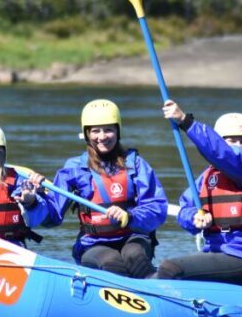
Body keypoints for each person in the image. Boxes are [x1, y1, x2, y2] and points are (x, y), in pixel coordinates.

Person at [156, 100, 242, 286]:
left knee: (170, 269)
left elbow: (226, 153)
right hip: (214, 252)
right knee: (162, 271)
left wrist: (185, 121)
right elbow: (185, 207)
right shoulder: (208, 176)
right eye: (231, 141)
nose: (238, 146)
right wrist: (194, 217)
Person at [50, 99, 168, 278]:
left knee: (134, 256)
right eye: (96, 130)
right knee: (111, 262)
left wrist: (130, 216)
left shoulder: (135, 164)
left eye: (108, 129)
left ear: (117, 132)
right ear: (87, 134)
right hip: (93, 244)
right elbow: (51, 216)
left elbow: (157, 208)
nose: (102, 136)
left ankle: (158, 294)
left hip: (132, 236)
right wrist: (31, 201)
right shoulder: (73, 168)